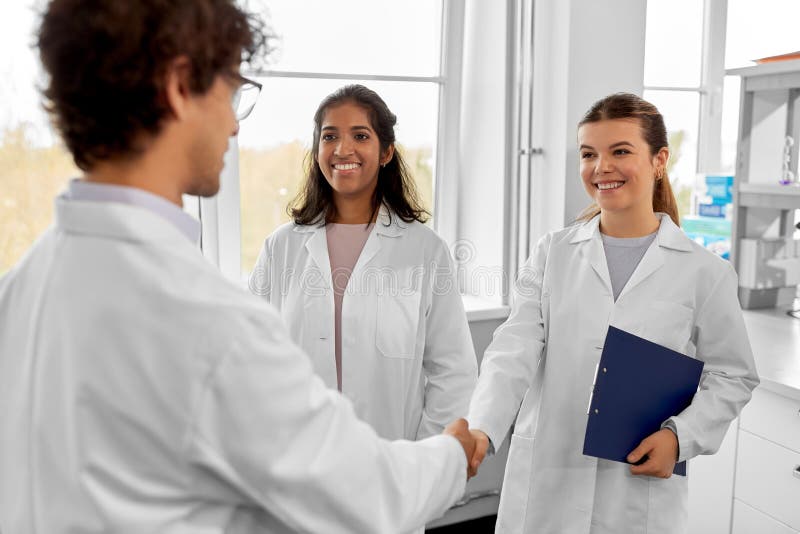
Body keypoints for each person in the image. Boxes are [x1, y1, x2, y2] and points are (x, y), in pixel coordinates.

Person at [0, 2, 477, 533]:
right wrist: (451, 454)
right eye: (231, 89)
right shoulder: (205, 318)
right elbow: (368, 495)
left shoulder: (19, 288)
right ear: (182, 87)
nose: (232, 123)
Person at [465, 93, 759, 533]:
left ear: (660, 159)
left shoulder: (705, 272)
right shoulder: (552, 253)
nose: (601, 167)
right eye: (589, 154)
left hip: (636, 491)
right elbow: (514, 347)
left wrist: (679, 437)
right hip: (550, 479)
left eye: (620, 151)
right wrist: (483, 426)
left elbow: (733, 375)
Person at [249, 84, 477, 442]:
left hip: (392, 462)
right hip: (299, 457)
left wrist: (425, 459)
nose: (343, 149)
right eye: (329, 136)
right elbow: (255, 358)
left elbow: (454, 371)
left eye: (360, 135)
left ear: (385, 152)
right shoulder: (282, 247)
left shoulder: (424, 250)